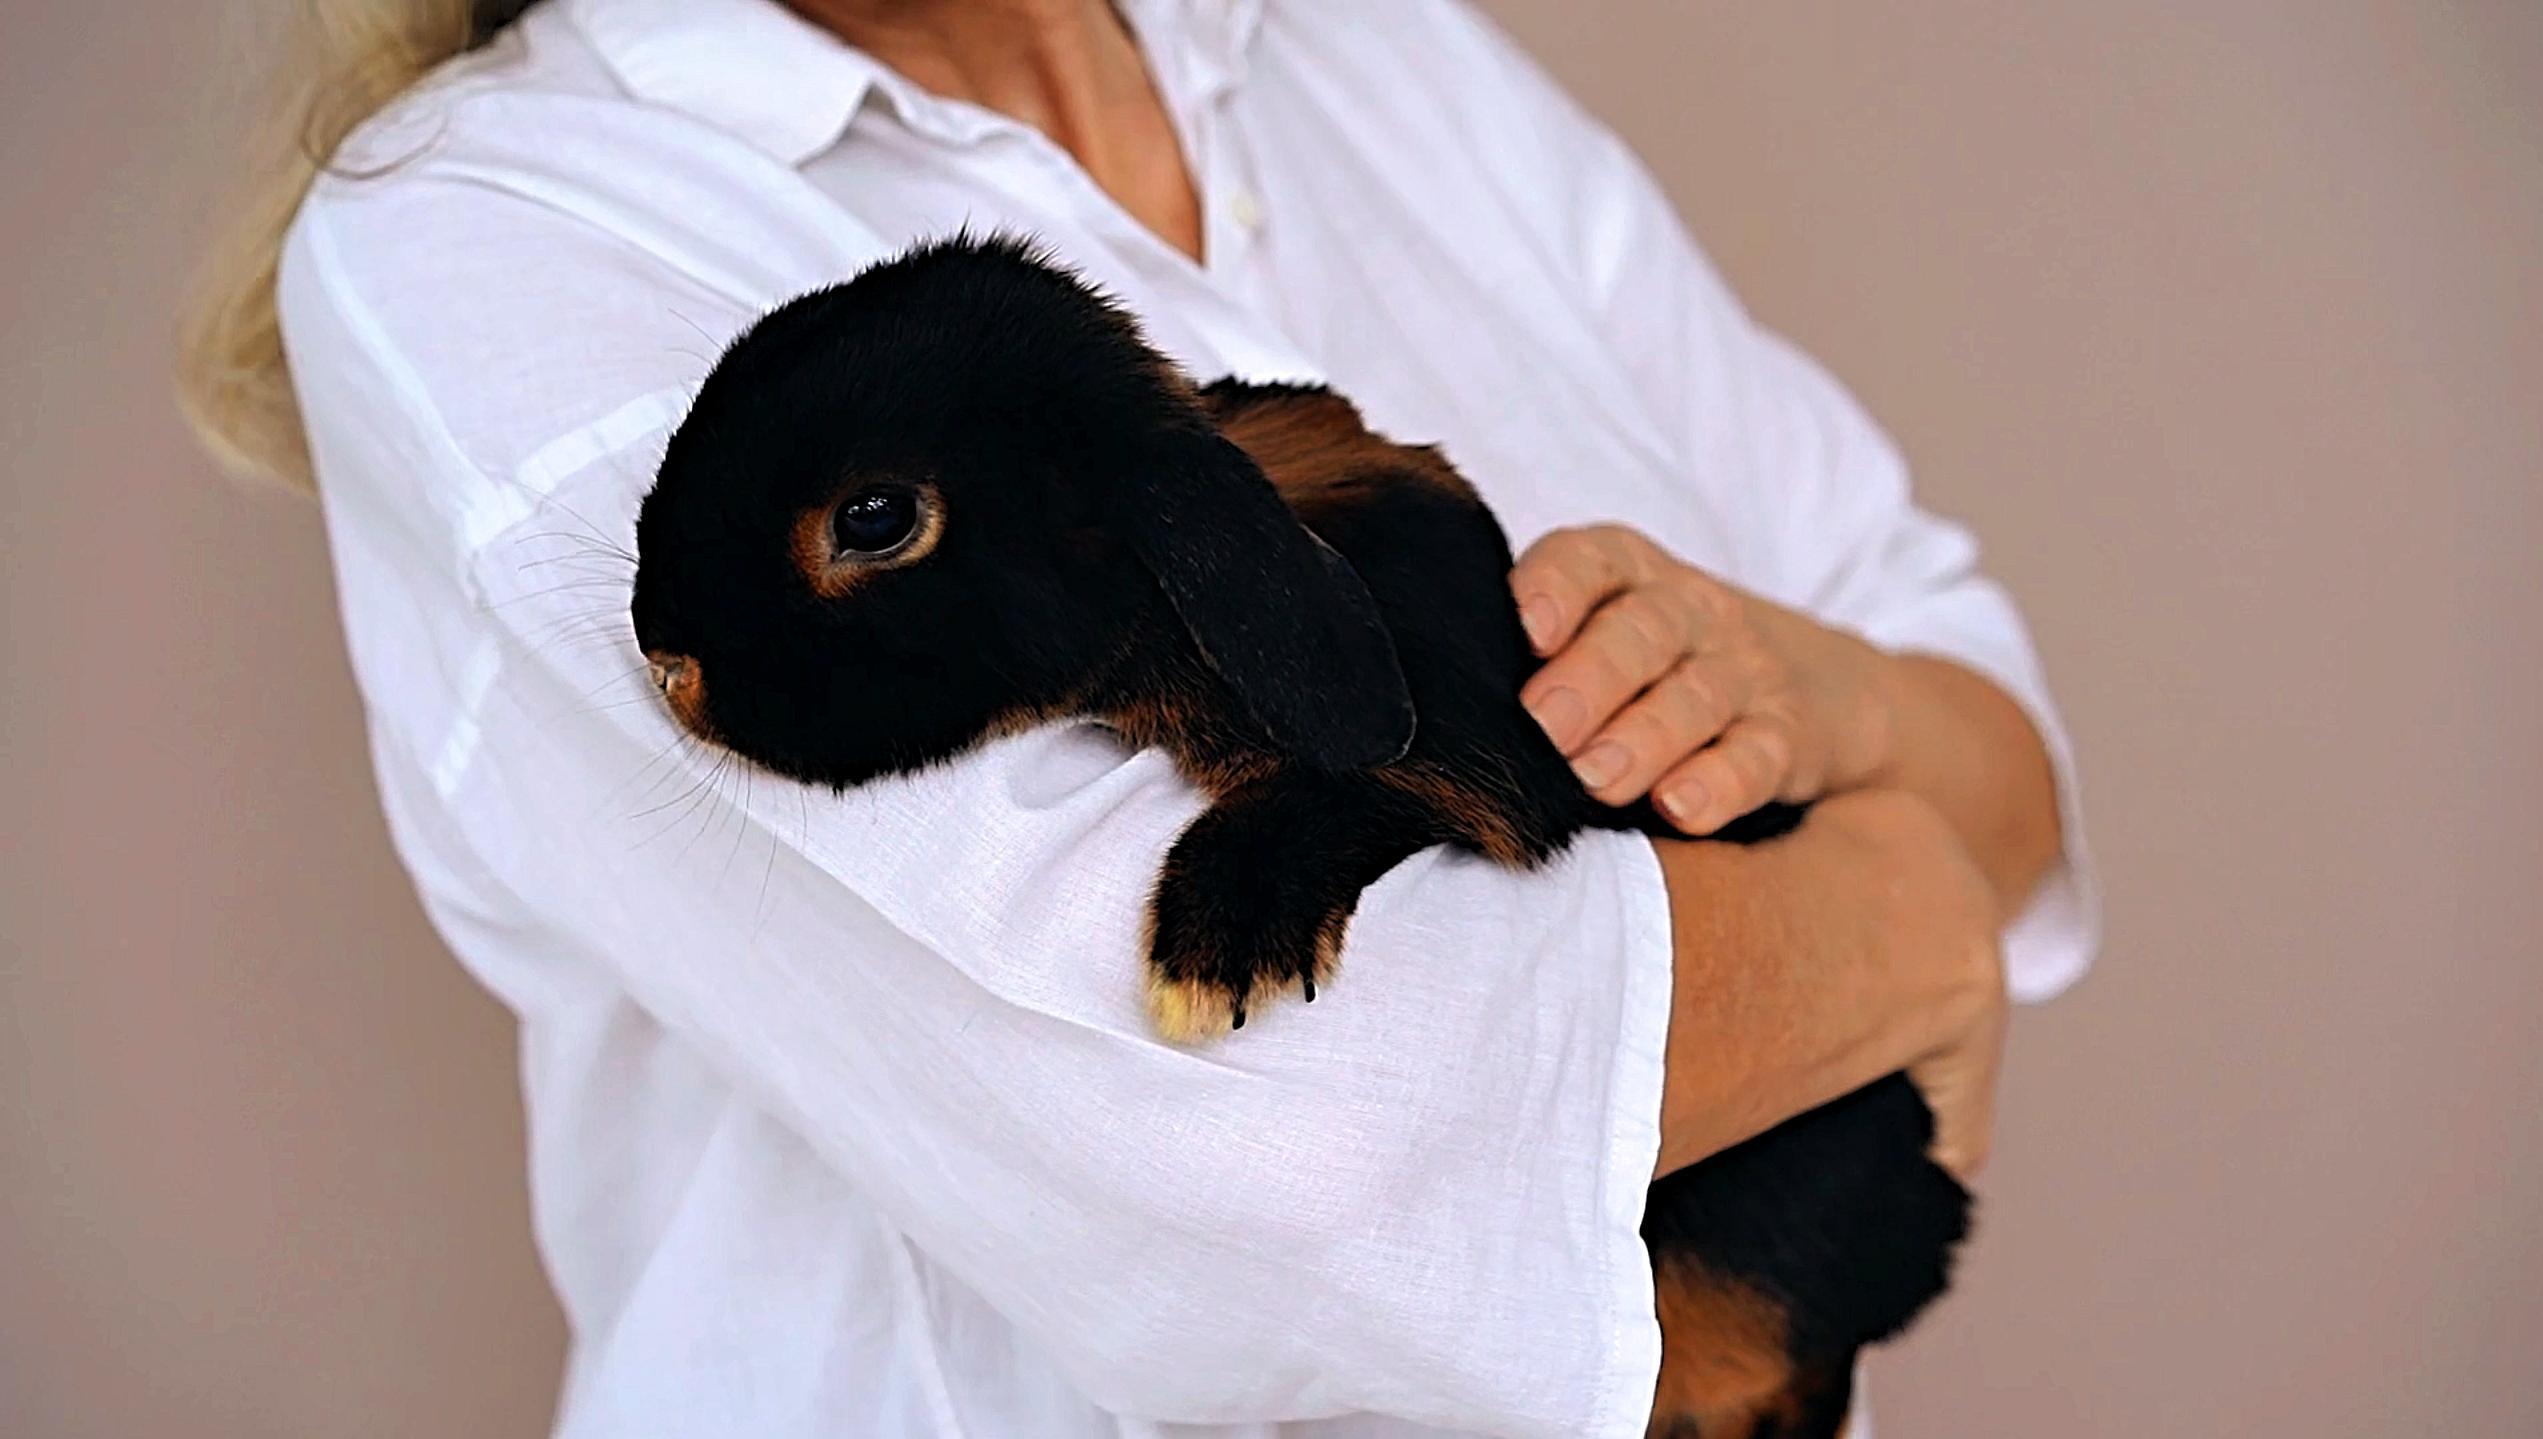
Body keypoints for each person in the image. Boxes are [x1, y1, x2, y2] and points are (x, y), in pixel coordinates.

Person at [177, 1, 2096, 1434]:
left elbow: (1980, 707)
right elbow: (1304, 1134)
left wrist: (1828, 696)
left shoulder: (1365, 53)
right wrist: (1908, 913)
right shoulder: (494, 220)